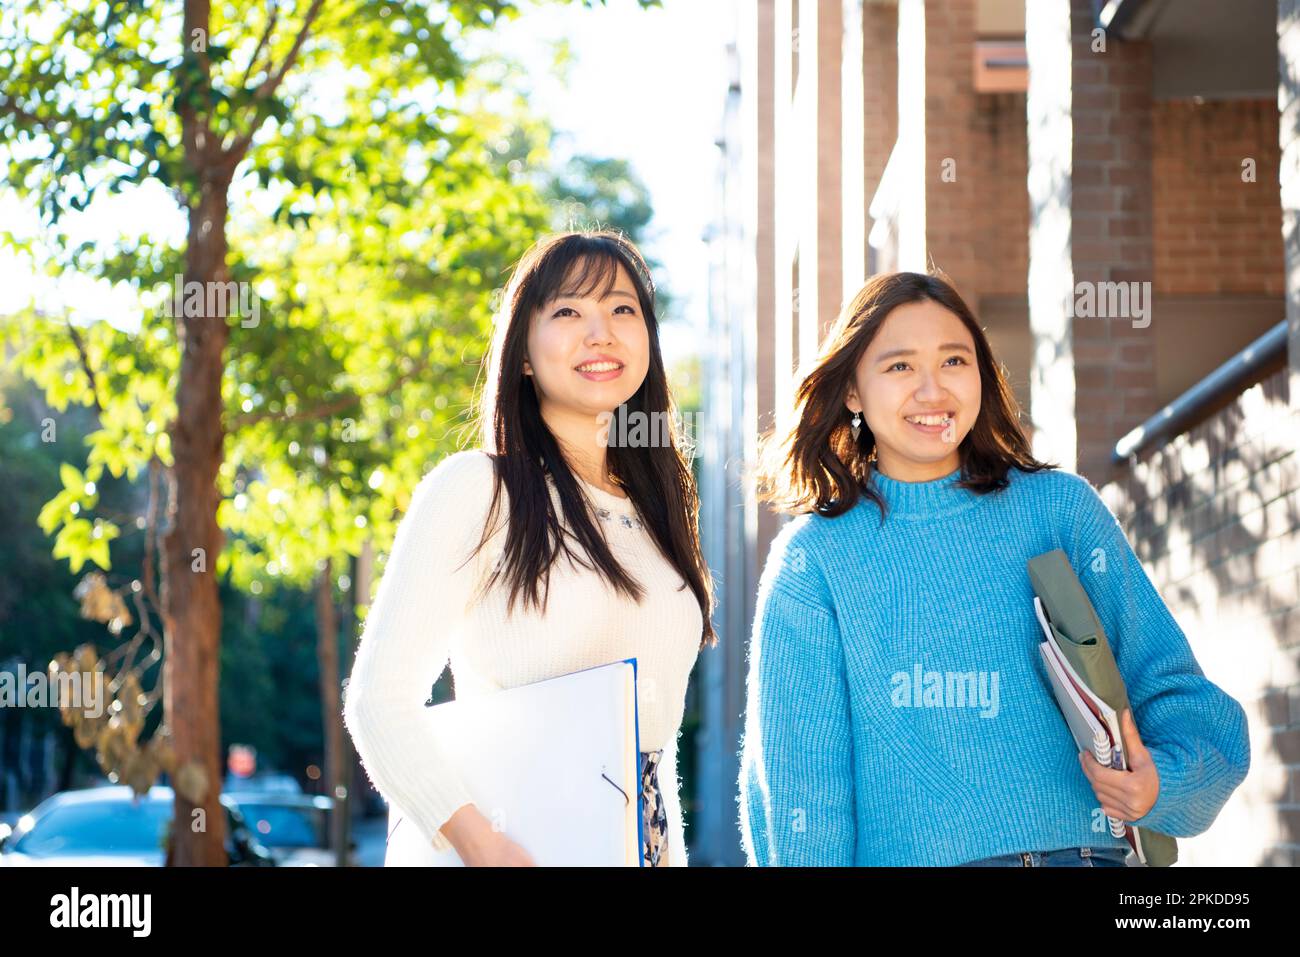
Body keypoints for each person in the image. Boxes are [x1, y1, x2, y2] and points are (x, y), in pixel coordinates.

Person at [737, 270, 1250, 866]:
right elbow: (801, 787)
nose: (933, 391)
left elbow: (1178, 694)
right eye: (900, 366)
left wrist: (1161, 781)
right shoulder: (814, 560)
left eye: (954, 361)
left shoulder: (1058, 510)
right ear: (852, 391)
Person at [343, 230, 715, 867]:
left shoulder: (659, 514)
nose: (600, 332)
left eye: (622, 310)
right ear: (522, 353)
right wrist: (480, 847)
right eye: (569, 311)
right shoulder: (477, 491)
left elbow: (653, 750)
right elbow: (378, 702)